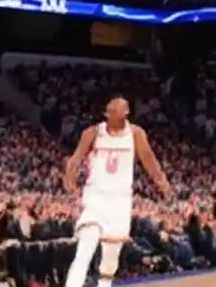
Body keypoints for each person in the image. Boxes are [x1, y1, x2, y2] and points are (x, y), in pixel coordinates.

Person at [62, 97, 171, 287]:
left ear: (125, 112)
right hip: (96, 197)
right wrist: (69, 177)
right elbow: (76, 158)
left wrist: (162, 182)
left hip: (120, 200)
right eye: (107, 110)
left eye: (113, 111)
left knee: (110, 258)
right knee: (85, 249)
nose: (108, 114)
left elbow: (149, 160)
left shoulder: (136, 134)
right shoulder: (93, 133)